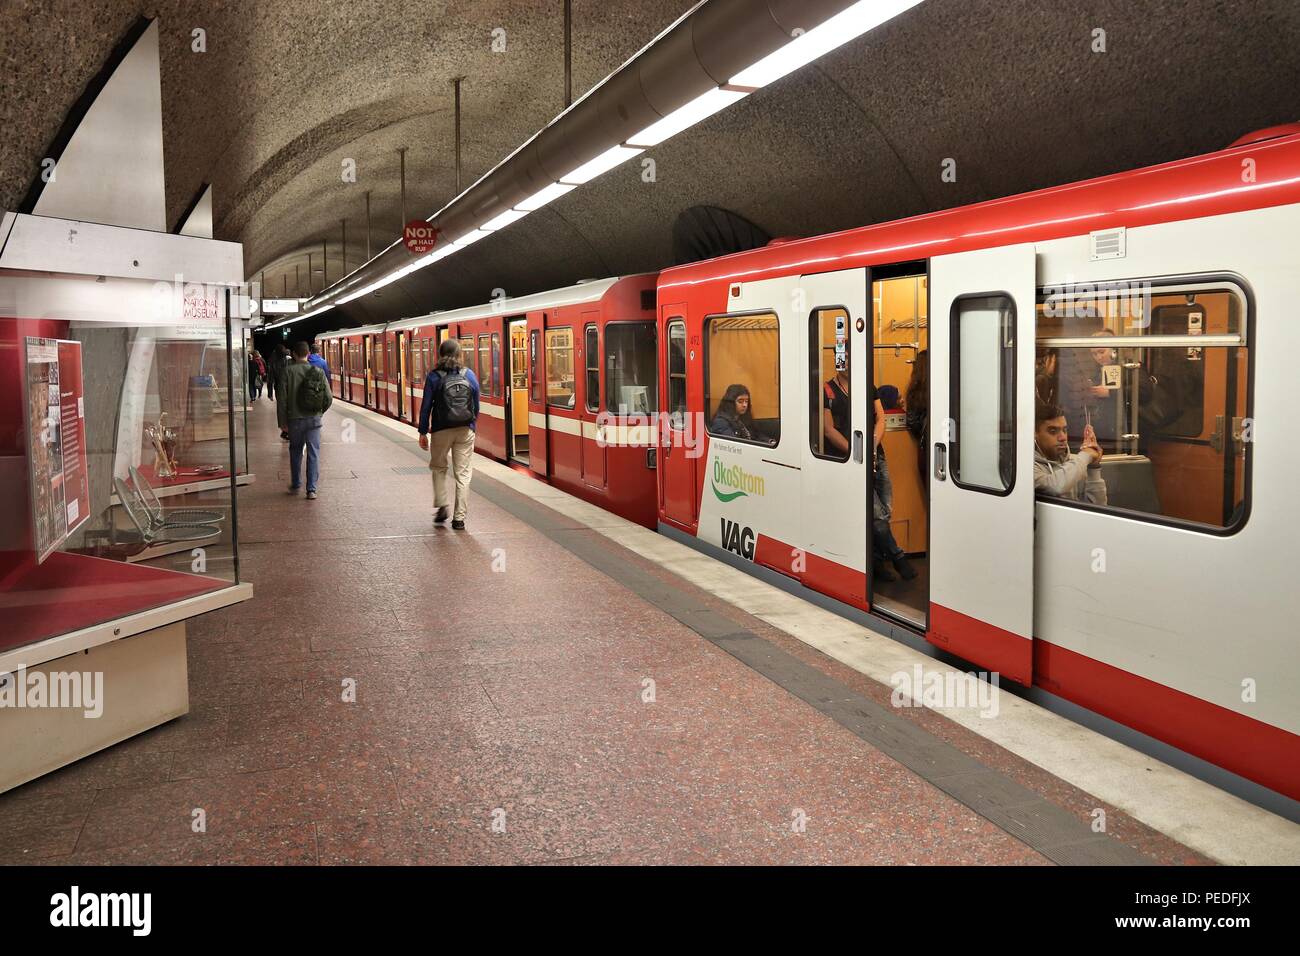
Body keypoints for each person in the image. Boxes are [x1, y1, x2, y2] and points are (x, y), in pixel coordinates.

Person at [418, 338, 480, 530]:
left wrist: (422, 432)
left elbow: (426, 406)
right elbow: (476, 405)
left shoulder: (434, 377)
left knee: (438, 468)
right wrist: (471, 424)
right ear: (459, 354)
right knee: (463, 473)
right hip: (465, 430)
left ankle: (442, 505)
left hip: (441, 429)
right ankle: (459, 518)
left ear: (440, 354)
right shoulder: (469, 375)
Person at [870, 382, 916, 582]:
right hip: (852, 457)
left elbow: (881, 419)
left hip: (876, 453)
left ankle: (876, 562)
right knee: (878, 514)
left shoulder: (868, 387)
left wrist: (871, 445)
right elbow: (829, 429)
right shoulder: (830, 391)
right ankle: (898, 557)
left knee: (885, 509)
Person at [280, 341, 332, 500]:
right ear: (308, 354)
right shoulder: (317, 370)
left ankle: (296, 484)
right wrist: (319, 413)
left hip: (294, 420)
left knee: (295, 451)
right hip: (314, 420)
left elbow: (282, 399)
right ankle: (311, 490)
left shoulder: (287, 371)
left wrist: (283, 423)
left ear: (294, 354)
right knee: (314, 453)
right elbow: (328, 398)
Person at [1033, 403, 1107, 504]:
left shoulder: (1076, 463)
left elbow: (1099, 507)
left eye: (1065, 430)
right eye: (1053, 431)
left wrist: (1093, 468)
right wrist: (1085, 455)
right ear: (1035, 434)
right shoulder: (1027, 467)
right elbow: (1054, 487)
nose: (1063, 437)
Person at [904, 349, 929, 500]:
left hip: (925, 452)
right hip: (950, 450)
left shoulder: (914, 392)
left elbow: (912, 423)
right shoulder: (946, 389)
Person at [269, 344, 291, 439]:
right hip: (290, 387)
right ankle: (290, 429)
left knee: (281, 409)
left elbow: (270, 378)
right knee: (291, 407)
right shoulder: (289, 360)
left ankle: (284, 429)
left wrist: (270, 394)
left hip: (278, 388)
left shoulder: (273, 362)